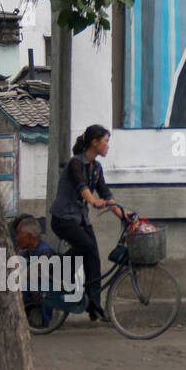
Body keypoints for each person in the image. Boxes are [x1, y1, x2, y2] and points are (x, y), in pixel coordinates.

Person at [48, 125, 124, 322]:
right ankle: (57, 271)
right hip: (63, 218)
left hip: (80, 219)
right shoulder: (76, 164)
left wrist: (123, 214)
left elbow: (106, 194)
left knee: (93, 258)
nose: (108, 146)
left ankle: (94, 304)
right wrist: (93, 201)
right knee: (86, 245)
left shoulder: (96, 168)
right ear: (94, 142)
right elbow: (82, 187)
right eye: (106, 141)